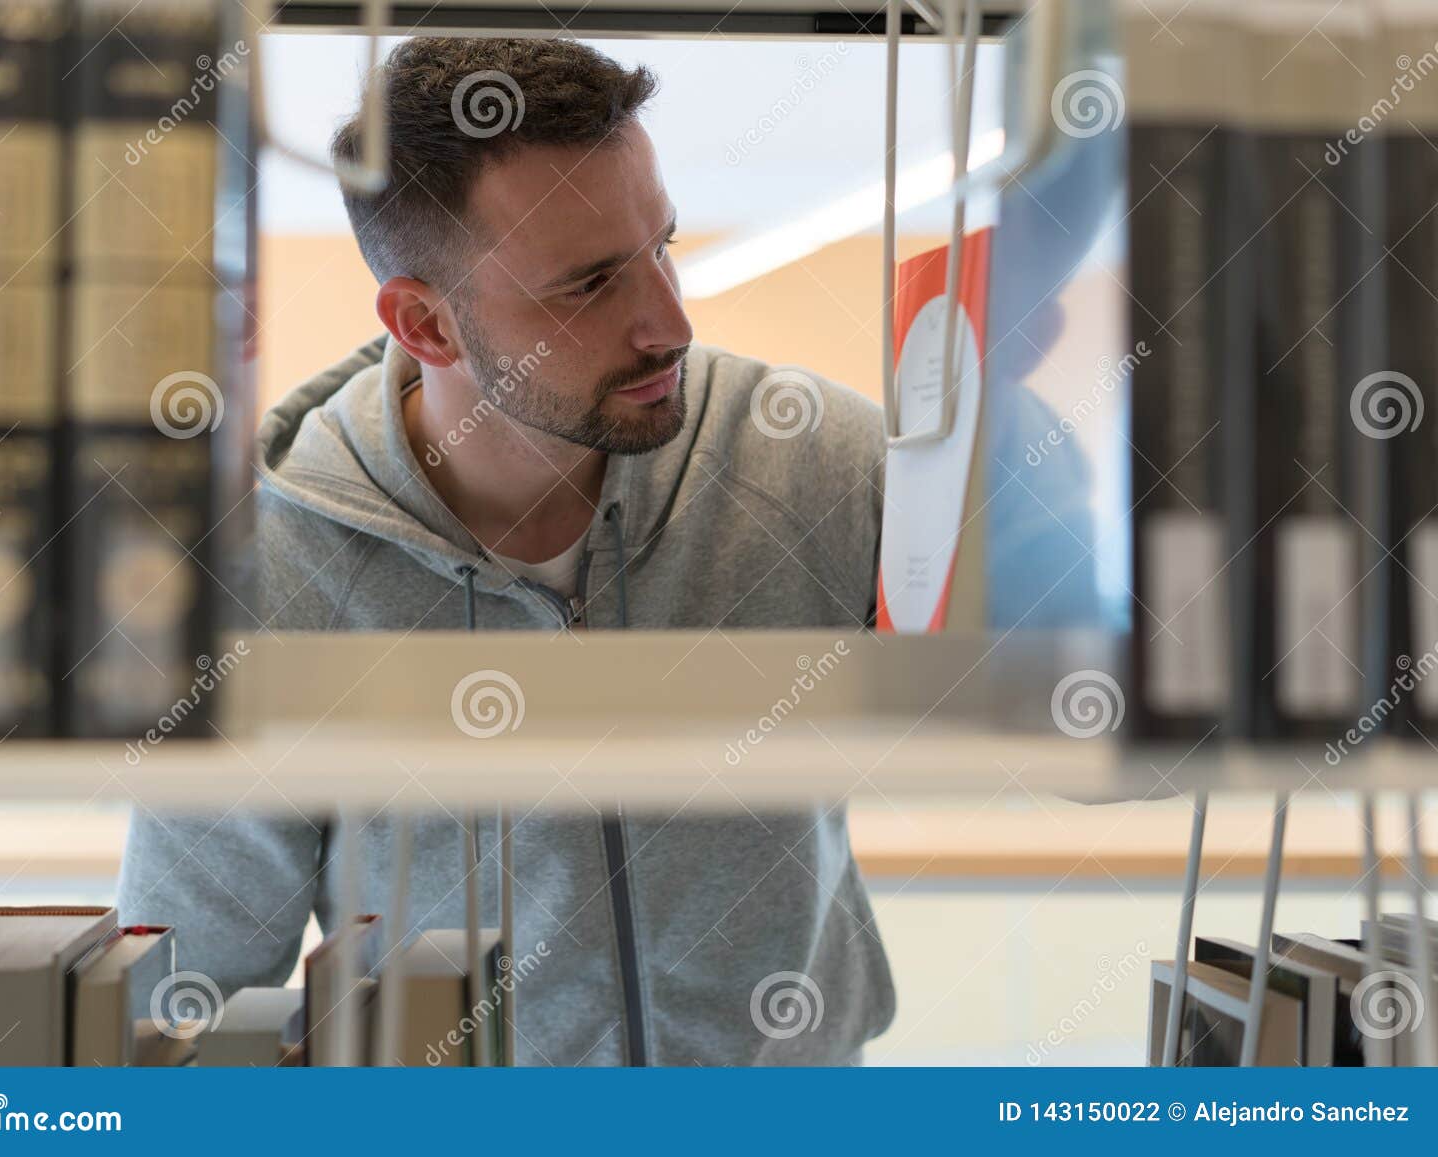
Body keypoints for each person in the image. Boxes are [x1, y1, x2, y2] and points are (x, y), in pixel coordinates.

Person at [119, 36, 895, 1066]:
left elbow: (1112, 742)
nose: (669, 322)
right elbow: (181, 1007)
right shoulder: (257, 583)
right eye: (589, 285)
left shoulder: (819, 461)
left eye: (662, 246)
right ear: (425, 325)